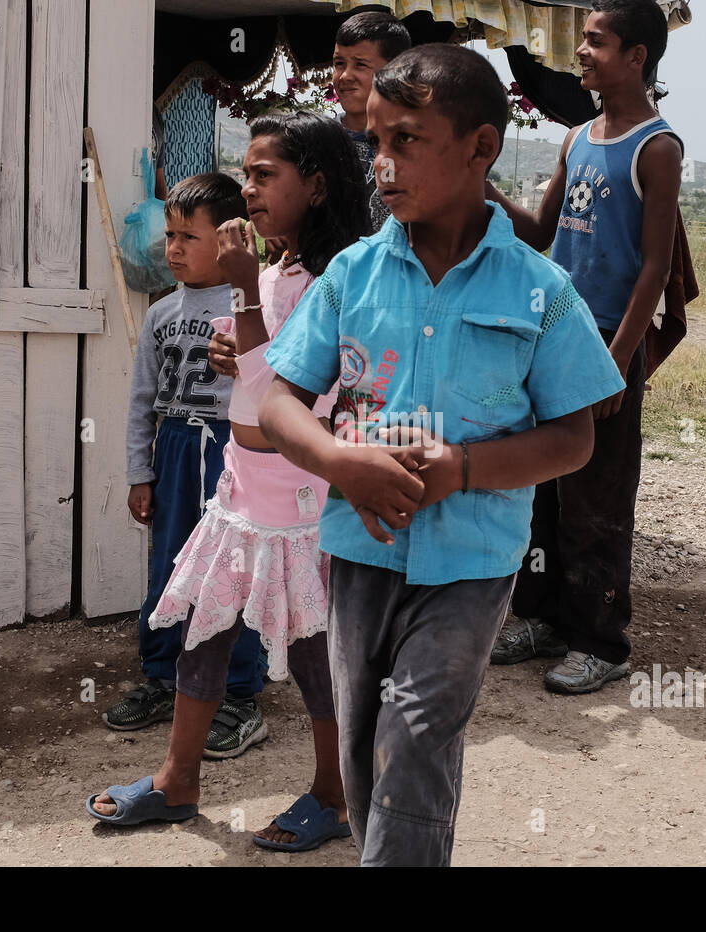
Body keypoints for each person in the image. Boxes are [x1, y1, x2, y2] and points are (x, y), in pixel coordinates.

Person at [260, 44, 624, 866]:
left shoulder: (539, 289)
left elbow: (574, 438)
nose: (383, 165)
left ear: (481, 149)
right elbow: (278, 404)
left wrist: (460, 470)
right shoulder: (350, 274)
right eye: (376, 142)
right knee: (363, 741)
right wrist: (339, 462)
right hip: (361, 548)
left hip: (471, 563)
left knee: (418, 733)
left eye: (409, 141)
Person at [89, 112, 369, 852]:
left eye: (264, 175)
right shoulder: (274, 271)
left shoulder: (335, 278)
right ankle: (178, 780)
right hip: (242, 488)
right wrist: (236, 337)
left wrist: (244, 301)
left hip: (298, 497)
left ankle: (334, 795)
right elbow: (254, 372)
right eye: (244, 174)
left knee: (313, 651)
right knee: (203, 630)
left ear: (315, 186)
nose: (249, 189)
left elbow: (288, 396)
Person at [485, 0, 683, 694]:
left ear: (637, 57)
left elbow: (654, 268)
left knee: (598, 495)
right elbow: (540, 231)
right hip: (551, 333)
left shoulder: (657, 148)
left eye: (598, 42)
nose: (584, 53)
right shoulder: (575, 138)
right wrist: (478, 184)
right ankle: (540, 617)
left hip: (603, 343)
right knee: (542, 485)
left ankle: (601, 639)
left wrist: (617, 362)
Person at [111, 173, 270, 760]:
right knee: (170, 566)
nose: (172, 248)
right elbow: (139, 403)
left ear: (231, 237)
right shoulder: (160, 316)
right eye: (170, 236)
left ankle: (238, 695)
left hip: (235, 451)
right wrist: (139, 473)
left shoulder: (255, 305)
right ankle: (162, 677)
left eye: (188, 236)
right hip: (175, 451)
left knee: (234, 570)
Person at [331, 10, 411, 231]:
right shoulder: (316, 141)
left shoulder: (417, 146)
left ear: (394, 71)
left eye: (360, 65)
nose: (345, 76)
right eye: (339, 63)